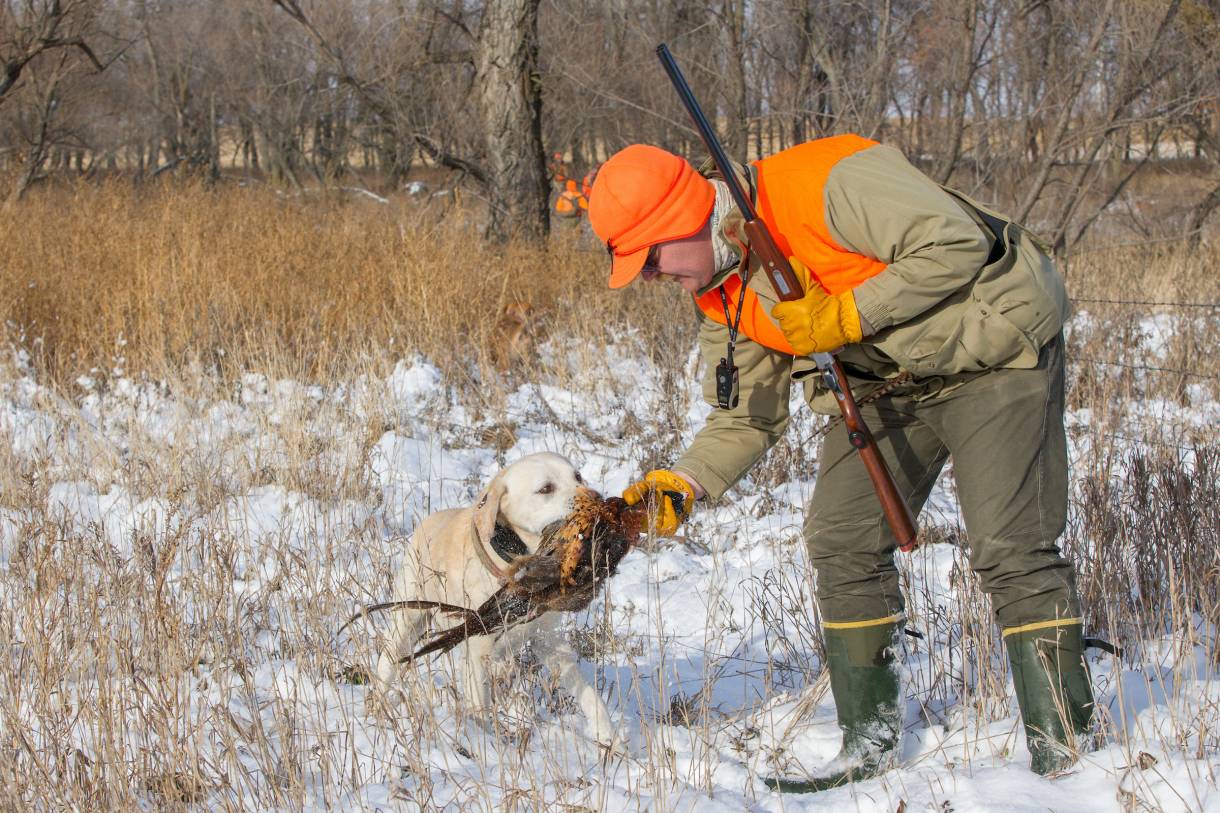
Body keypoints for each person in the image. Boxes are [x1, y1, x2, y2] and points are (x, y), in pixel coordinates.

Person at [588, 136, 1096, 783]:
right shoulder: (721, 288)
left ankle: (1067, 752)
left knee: (1009, 546)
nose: (652, 278)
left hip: (991, 351)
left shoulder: (826, 181)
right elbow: (749, 413)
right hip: (888, 383)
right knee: (841, 535)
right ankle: (871, 742)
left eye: (650, 259)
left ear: (678, 220)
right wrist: (681, 484)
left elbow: (955, 243)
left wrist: (846, 314)